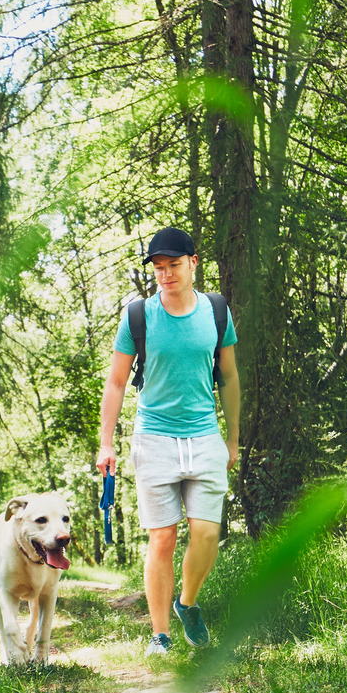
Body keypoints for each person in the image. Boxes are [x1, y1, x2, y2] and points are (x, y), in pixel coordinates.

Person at [96, 227, 239, 654]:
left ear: (194, 263)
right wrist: (107, 444)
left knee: (207, 533)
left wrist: (233, 440)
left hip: (204, 435)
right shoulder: (138, 316)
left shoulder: (216, 311)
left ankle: (187, 603)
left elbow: (229, 377)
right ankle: (160, 636)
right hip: (154, 436)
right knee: (162, 538)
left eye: (173, 265)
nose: (166, 275)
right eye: (158, 268)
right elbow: (117, 382)